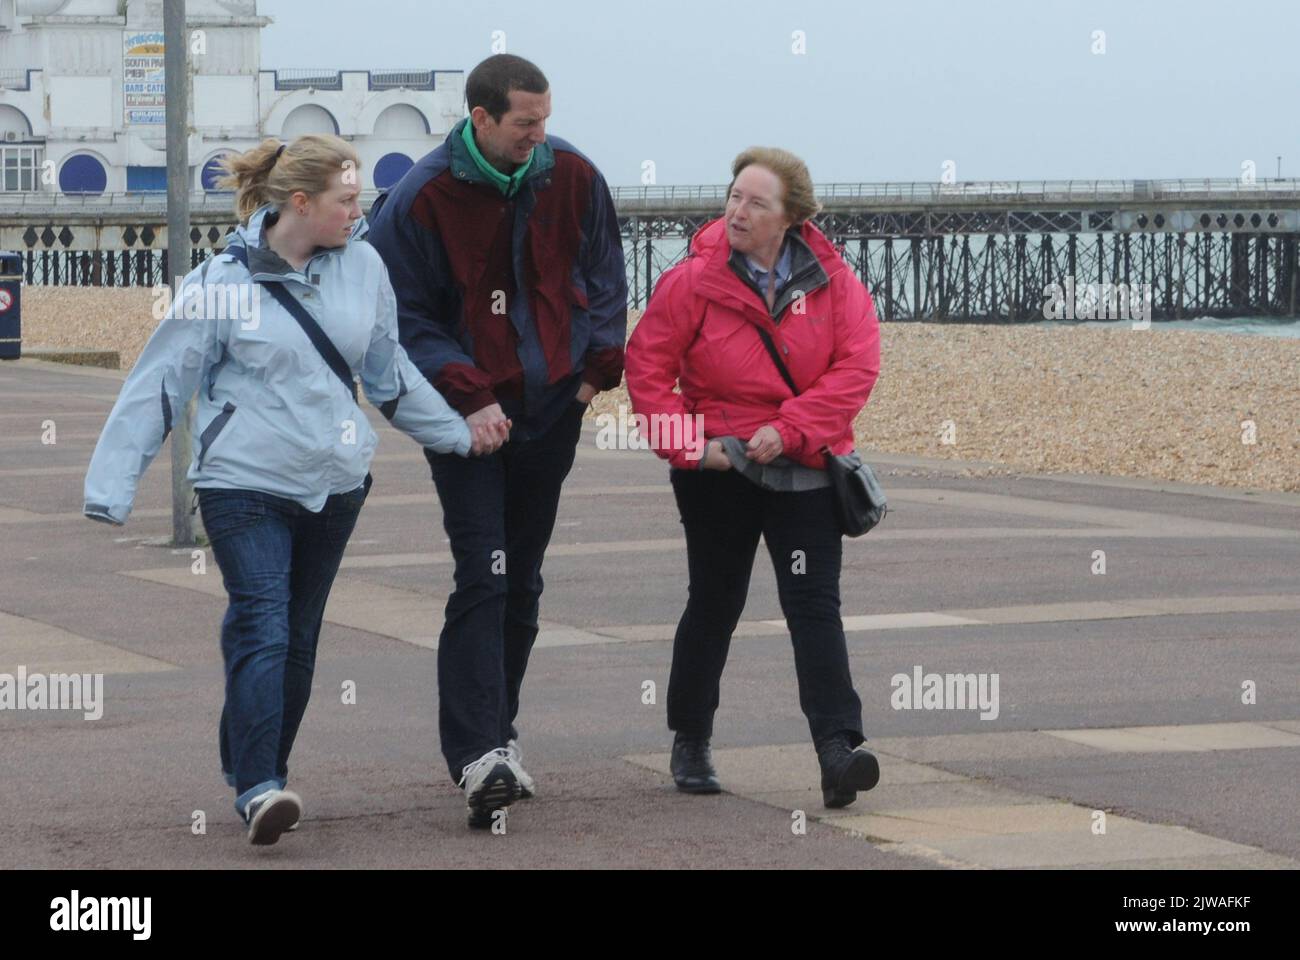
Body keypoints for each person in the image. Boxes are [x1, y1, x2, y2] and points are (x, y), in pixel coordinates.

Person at [83, 135, 472, 844]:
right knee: (265, 621)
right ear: (301, 203)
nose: (361, 212)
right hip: (243, 483)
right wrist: (112, 487)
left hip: (334, 486)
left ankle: (256, 760)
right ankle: (262, 788)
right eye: (347, 201)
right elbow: (161, 381)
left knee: (293, 638)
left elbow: (389, 375)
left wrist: (458, 433)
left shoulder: (365, 268)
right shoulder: (221, 285)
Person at [367, 54, 627, 828]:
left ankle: (499, 737)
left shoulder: (573, 174)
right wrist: (469, 395)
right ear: (481, 118)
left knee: (525, 578)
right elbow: (402, 317)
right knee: (484, 570)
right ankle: (478, 753)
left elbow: (606, 278)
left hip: (554, 410)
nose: (538, 136)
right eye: (524, 124)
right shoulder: (421, 196)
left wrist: (594, 376)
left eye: (544, 119)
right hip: (466, 420)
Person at [624, 147, 882, 809]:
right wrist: (691, 447)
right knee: (716, 602)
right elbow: (648, 372)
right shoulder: (691, 281)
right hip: (719, 472)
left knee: (812, 608)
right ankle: (690, 740)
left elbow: (855, 371)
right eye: (735, 196)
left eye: (756, 203)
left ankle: (837, 750)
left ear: (790, 217)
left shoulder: (836, 284)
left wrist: (791, 429)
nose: (738, 211)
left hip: (805, 470)